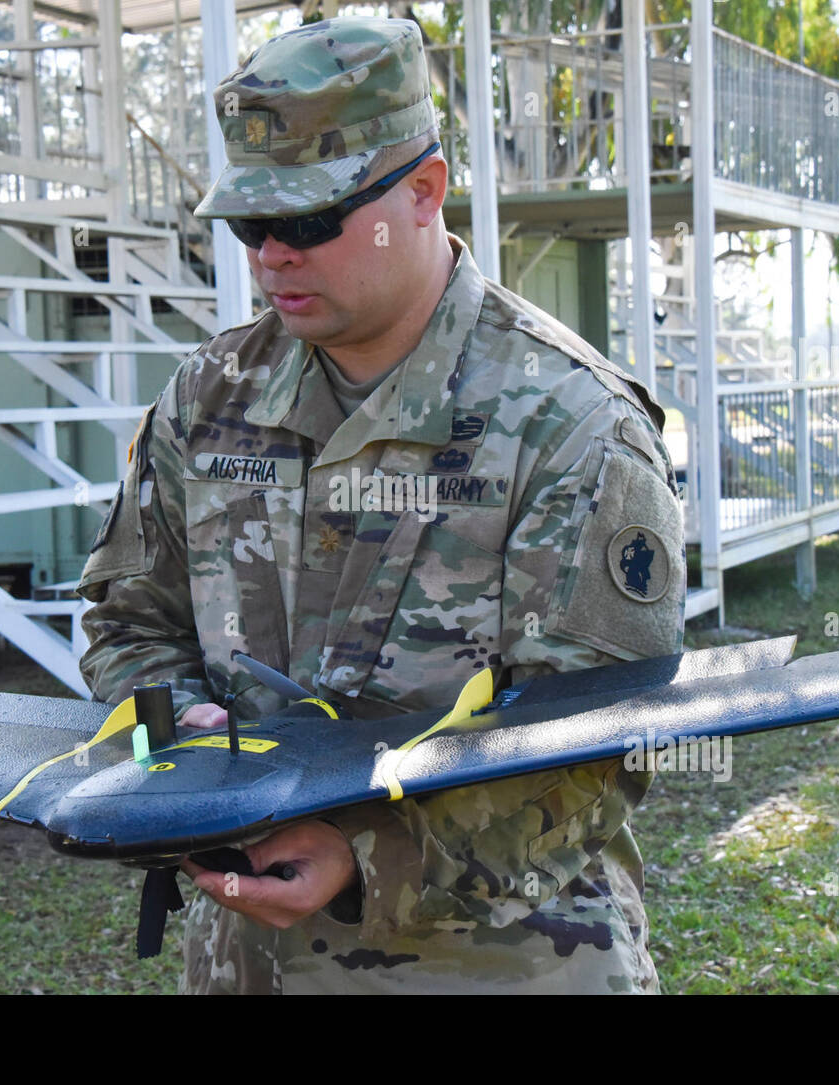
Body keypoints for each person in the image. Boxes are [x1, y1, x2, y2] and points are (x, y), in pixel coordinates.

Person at [76, 15, 685, 994]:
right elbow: (126, 620)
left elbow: (601, 749)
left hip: (497, 965)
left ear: (425, 190)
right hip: (248, 966)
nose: (271, 254)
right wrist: (173, 741)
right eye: (250, 224)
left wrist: (366, 856)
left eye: (309, 221)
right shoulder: (207, 395)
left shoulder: (569, 422)